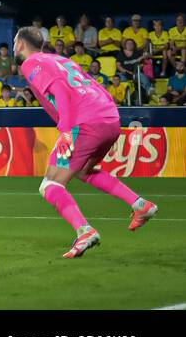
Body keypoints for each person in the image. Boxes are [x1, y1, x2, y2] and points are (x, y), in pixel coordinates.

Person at [15, 26, 158, 258]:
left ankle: (85, 231)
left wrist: (67, 131)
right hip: (108, 117)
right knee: (83, 170)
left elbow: (60, 89)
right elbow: (91, 85)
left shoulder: (31, 63)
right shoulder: (60, 60)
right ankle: (140, 204)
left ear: (20, 44)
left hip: (85, 123)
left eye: (14, 42)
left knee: (50, 184)